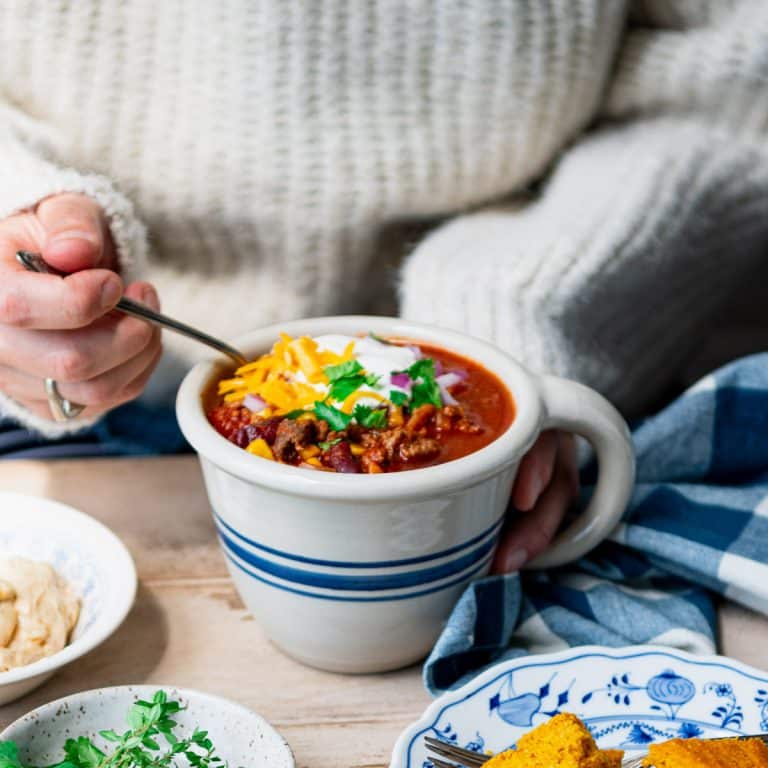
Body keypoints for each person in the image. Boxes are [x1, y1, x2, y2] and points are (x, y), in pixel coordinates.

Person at [0, 1, 766, 572]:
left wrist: (525, 302)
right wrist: (22, 214)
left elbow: (728, 87)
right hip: (61, 411)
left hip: (543, 380)